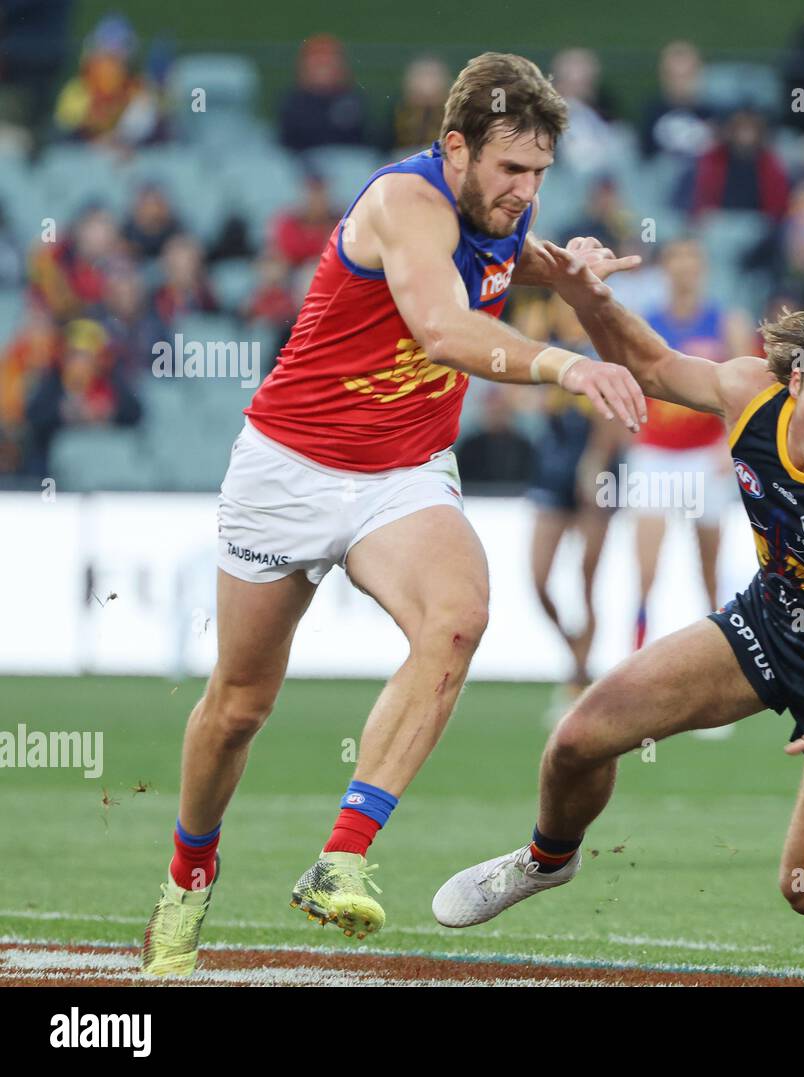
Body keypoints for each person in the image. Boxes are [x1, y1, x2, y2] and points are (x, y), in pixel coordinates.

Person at [140, 51, 646, 977]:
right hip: (287, 470)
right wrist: (566, 364)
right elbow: (444, 328)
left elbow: (501, 259)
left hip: (402, 475)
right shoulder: (403, 202)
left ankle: (342, 855)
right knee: (240, 706)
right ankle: (189, 874)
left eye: (539, 173)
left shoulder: (501, 209)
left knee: (457, 619)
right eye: (510, 171)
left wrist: (563, 270)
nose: (526, 190)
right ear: (454, 147)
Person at [433, 275, 804, 927]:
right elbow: (653, 366)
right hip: (768, 624)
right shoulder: (749, 392)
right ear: (795, 383)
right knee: (578, 739)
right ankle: (547, 860)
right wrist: (590, 299)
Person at [627, 237, 752, 649]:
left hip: (705, 456)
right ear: (665, 269)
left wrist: (729, 444)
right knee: (645, 569)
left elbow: (749, 389)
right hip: (655, 453)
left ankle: (718, 655)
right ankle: (637, 653)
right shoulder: (643, 323)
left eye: (691, 260)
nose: (684, 269)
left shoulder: (726, 322)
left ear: (703, 269)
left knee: (710, 569)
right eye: (677, 260)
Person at [523, 294, 628, 701]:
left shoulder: (604, 338)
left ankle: (579, 676)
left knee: (587, 576)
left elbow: (616, 413)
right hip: (552, 466)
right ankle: (575, 655)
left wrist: (597, 462)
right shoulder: (545, 333)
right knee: (538, 578)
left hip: (595, 471)